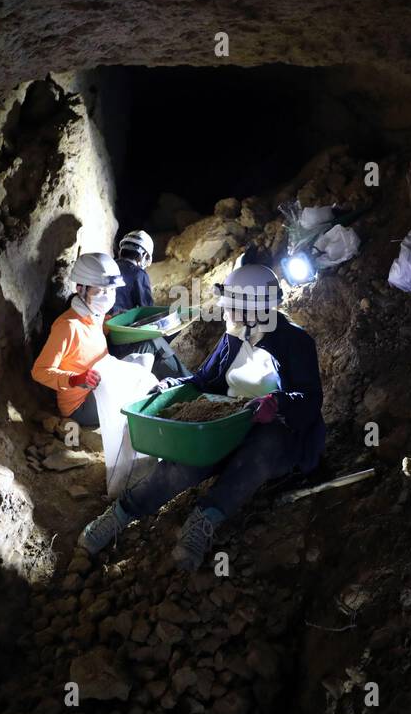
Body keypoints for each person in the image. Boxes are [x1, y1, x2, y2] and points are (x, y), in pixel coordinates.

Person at [77, 263, 326, 570]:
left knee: (256, 458)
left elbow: (311, 399)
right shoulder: (235, 336)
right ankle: (121, 514)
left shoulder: (295, 342)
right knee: (183, 464)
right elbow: (204, 380)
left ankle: (203, 519)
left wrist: (277, 403)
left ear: (256, 307)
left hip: (275, 429)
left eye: (233, 305)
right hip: (229, 419)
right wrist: (172, 384)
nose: (226, 311)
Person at [30, 252, 124, 428]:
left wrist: (117, 322)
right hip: (80, 405)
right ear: (80, 289)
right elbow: (39, 371)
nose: (107, 296)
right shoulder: (67, 326)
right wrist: (75, 379)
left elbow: (90, 337)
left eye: (111, 290)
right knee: (135, 396)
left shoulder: (94, 314)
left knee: (142, 361)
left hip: (100, 387)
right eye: (100, 290)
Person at [107, 229, 189, 381]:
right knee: (157, 341)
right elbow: (148, 312)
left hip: (106, 343)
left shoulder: (108, 267)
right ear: (144, 256)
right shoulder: (138, 273)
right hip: (122, 344)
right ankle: (187, 380)